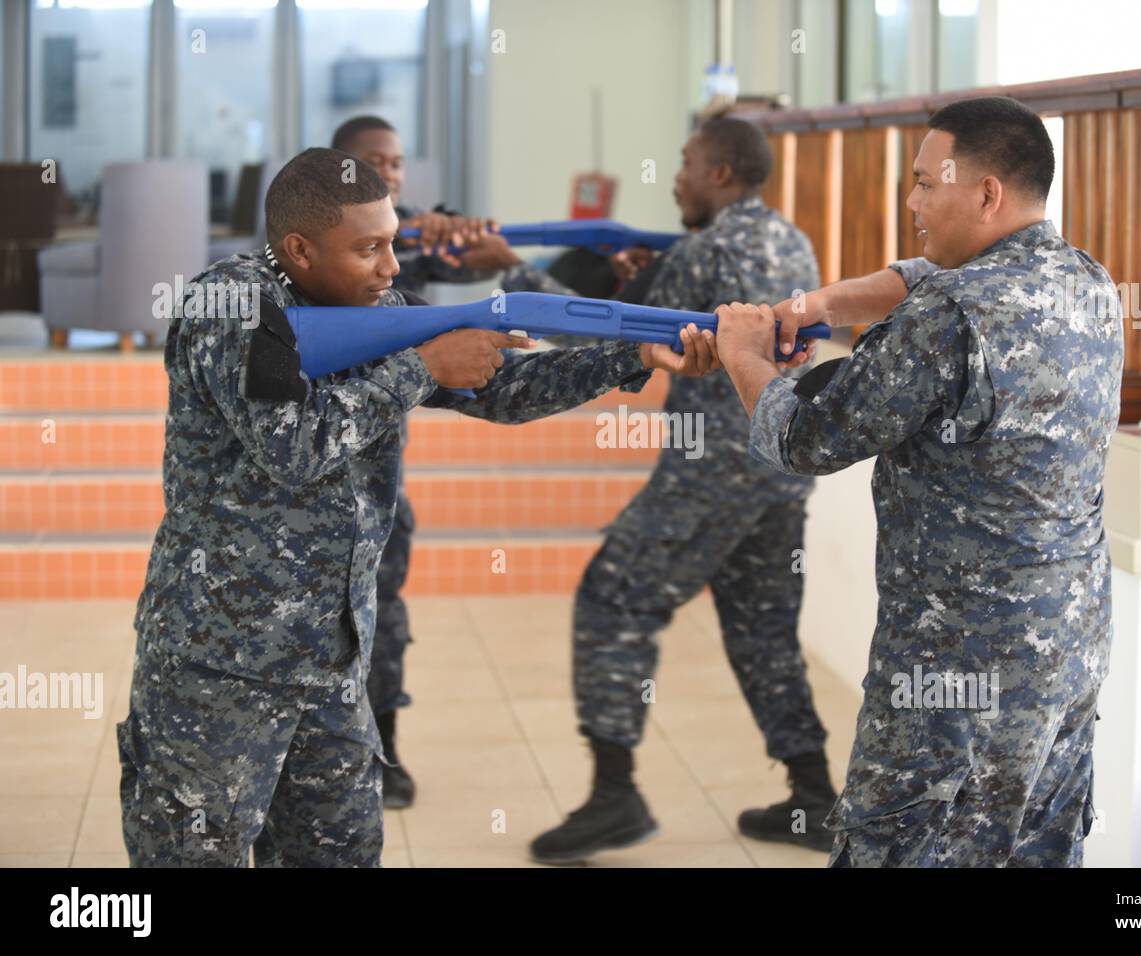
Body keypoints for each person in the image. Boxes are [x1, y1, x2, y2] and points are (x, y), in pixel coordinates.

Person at [118, 146, 720, 867]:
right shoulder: (231, 304)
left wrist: (634, 356)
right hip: (217, 670)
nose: (391, 268)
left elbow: (505, 389)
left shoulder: (377, 310)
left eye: (393, 241)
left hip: (330, 666)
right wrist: (422, 367)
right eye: (367, 249)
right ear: (299, 249)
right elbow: (296, 446)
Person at [714, 96, 1121, 867]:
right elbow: (927, 275)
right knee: (1030, 849)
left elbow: (807, 438)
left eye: (926, 182)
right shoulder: (1089, 284)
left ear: (986, 193)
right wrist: (824, 303)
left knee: (895, 848)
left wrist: (743, 353)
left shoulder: (949, 316)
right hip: (1068, 653)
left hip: (953, 672)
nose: (911, 202)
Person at [459, 116, 838, 864]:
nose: (676, 177)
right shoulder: (791, 240)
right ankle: (817, 795)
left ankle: (613, 794)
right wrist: (643, 274)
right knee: (763, 629)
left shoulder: (703, 251)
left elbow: (596, 334)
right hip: (780, 465)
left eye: (687, 163)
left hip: (713, 471)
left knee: (613, 594)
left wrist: (508, 264)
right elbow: (649, 301)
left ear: (721, 175)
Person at [328, 114, 495, 808]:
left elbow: (481, 261)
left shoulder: (418, 233)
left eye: (397, 163)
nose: (391, 174)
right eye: (375, 162)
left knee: (383, 616)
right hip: (317, 478)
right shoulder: (315, 247)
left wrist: (492, 251)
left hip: (376, 489)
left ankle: (385, 749)